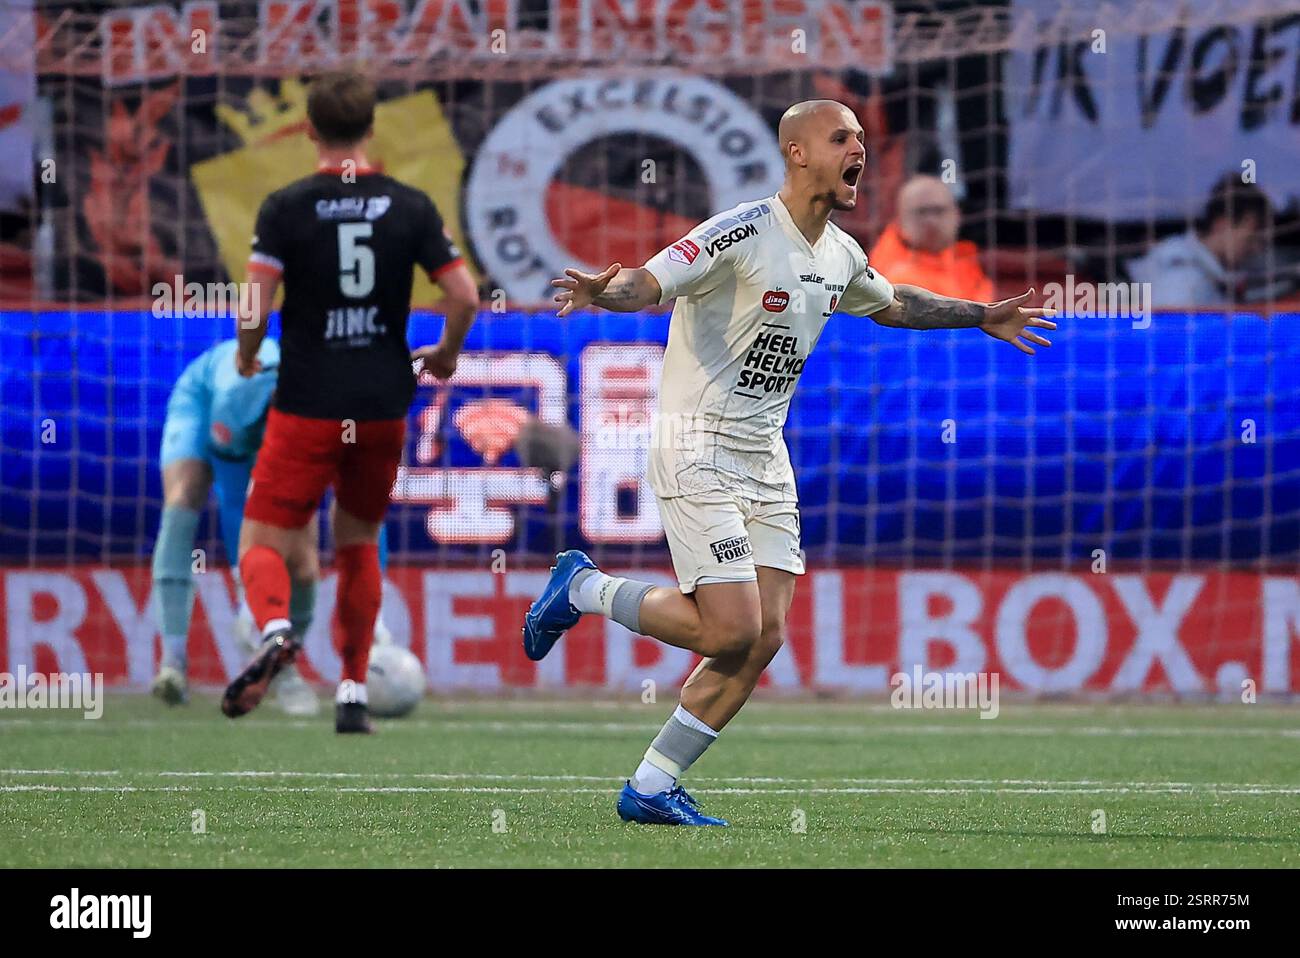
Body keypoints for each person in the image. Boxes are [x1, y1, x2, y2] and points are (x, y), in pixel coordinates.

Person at [524, 100, 1055, 826]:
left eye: (862, 140)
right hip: (697, 444)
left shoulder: (838, 253)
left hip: (765, 457)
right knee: (729, 630)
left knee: (763, 637)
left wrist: (981, 313)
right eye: (842, 138)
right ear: (798, 152)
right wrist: (604, 294)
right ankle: (582, 587)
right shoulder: (742, 230)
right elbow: (648, 281)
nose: (858, 149)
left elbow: (895, 302)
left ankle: (650, 787)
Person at [224, 70, 478, 733]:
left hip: (308, 399)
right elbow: (465, 294)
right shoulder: (410, 206)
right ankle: (353, 692)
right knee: (359, 540)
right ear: (372, 128)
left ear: (309, 130)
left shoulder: (285, 207)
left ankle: (276, 629)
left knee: (261, 541)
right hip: (381, 401)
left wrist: (248, 350)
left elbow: (255, 300)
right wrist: (447, 353)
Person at [150, 337, 394, 714]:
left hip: (290, 432)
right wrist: (247, 589)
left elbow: (363, 513)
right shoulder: (237, 403)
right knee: (184, 498)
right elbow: (236, 503)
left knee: (304, 557)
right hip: (205, 404)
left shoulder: (337, 409)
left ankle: (282, 659)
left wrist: (374, 619)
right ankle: (174, 662)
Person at [1127, 174, 1273, 308]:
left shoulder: (1209, 274)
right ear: (1222, 224)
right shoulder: (1183, 280)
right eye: (1252, 237)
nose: (1256, 248)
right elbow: (1170, 332)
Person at [868, 175, 993, 302]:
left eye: (938, 211)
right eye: (921, 212)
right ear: (900, 220)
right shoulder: (896, 275)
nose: (931, 221)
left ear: (957, 214)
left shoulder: (965, 262)